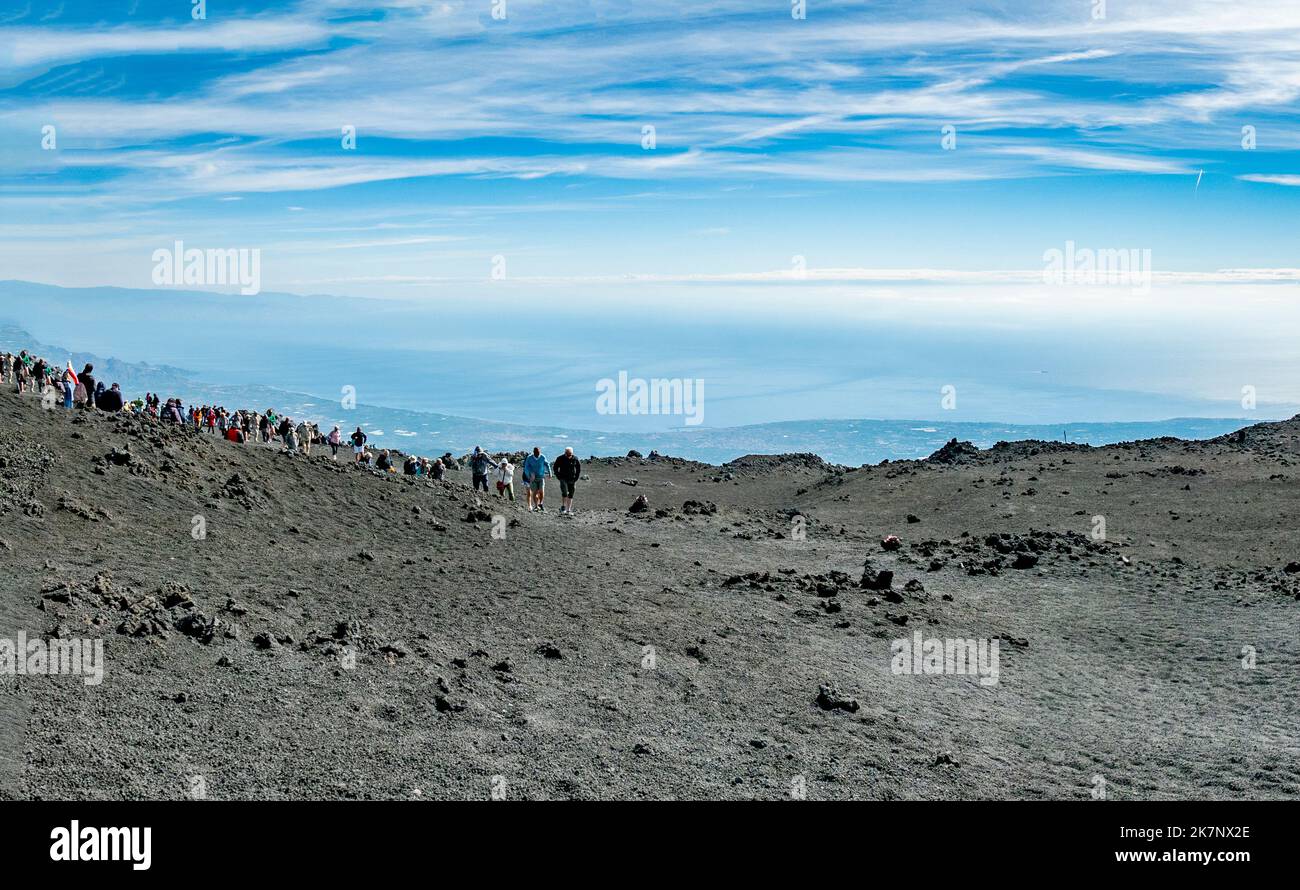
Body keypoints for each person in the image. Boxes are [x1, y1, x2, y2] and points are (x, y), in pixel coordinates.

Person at [553, 446, 581, 515]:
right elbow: (555, 467)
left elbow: (578, 469)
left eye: (570, 454)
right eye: (567, 454)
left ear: (572, 453)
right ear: (565, 453)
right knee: (565, 492)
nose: (569, 456)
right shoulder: (560, 458)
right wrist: (558, 476)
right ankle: (563, 507)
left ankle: (568, 510)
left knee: (571, 494)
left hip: (572, 479)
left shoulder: (575, 459)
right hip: (563, 478)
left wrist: (576, 478)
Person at [522, 447, 550, 512]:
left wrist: (549, 472)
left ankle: (540, 504)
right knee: (533, 493)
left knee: (541, 491)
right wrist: (530, 476)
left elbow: (547, 464)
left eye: (539, 453)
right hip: (530, 479)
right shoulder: (529, 458)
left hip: (540, 477)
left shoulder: (542, 457)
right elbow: (526, 469)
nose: (538, 455)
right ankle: (535, 506)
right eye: (536, 453)